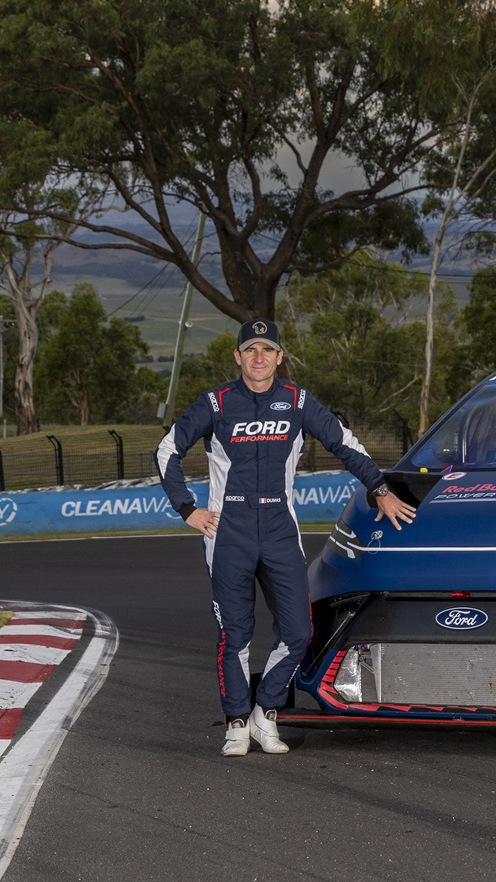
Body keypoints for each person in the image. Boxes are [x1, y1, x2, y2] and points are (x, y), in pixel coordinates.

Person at [156, 318, 416, 757]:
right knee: (234, 633)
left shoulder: (298, 402)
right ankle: (236, 721)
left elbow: (345, 443)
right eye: (251, 350)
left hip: (280, 530)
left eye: (268, 350)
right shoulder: (216, 404)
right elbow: (167, 450)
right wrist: (187, 508)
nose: (259, 357)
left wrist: (381, 489)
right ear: (238, 357)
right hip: (228, 532)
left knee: (298, 630)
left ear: (279, 357)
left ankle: (266, 711)